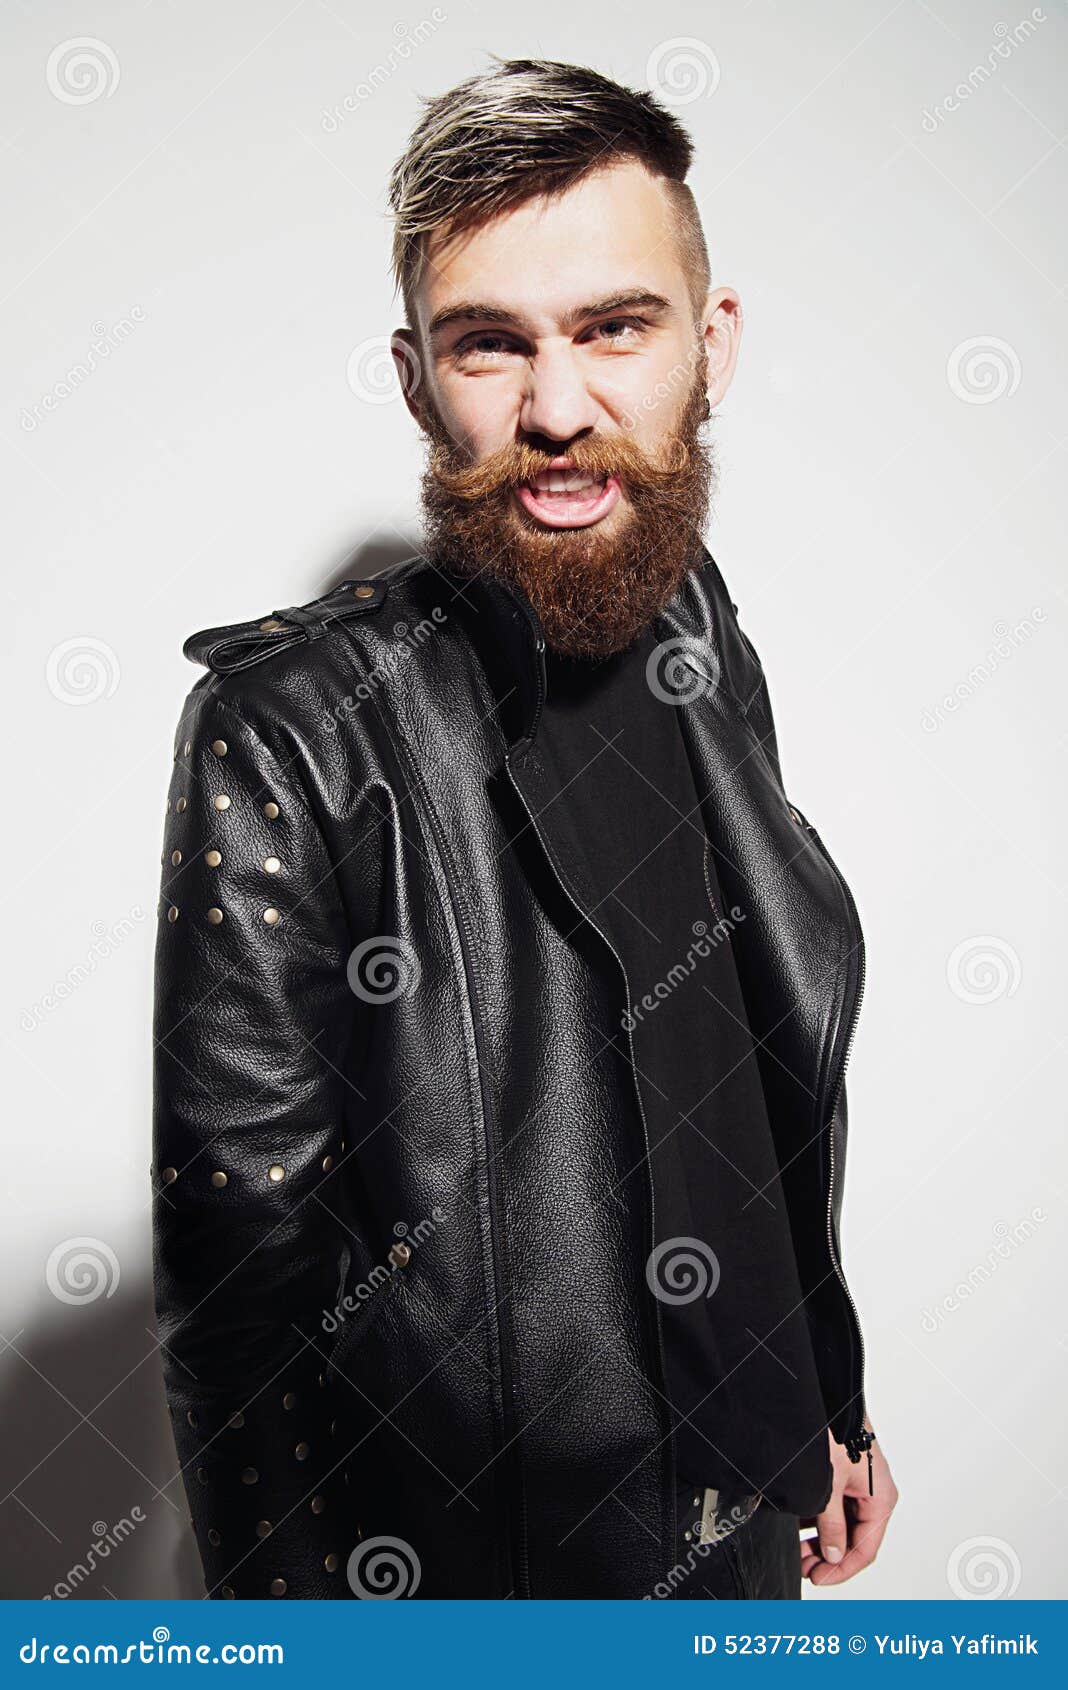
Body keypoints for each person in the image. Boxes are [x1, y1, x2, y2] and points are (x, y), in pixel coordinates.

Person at [152, 56, 897, 1601]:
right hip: (481, 1579)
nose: (560, 409)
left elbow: (743, 1079)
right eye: (492, 344)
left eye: (616, 326)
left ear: (714, 341)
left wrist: (822, 1385)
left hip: (743, 1513)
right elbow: (241, 1288)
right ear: (420, 377)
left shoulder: (698, 625)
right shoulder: (294, 724)